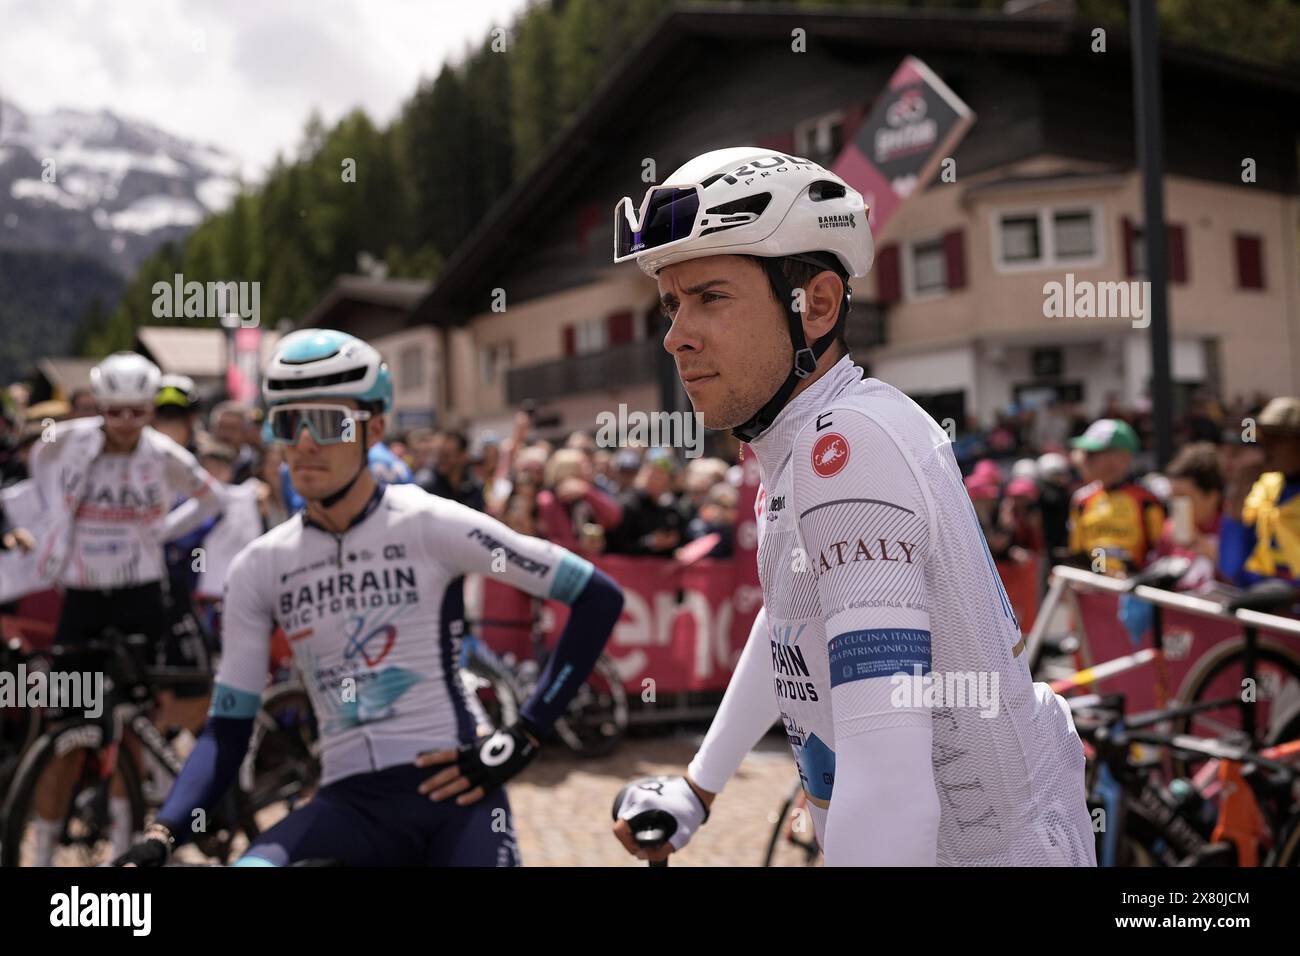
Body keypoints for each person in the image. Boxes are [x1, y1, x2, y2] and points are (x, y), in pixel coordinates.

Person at [607, 146, 1093, 866]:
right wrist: (701, 785)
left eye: (711, 296)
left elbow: (892, 788)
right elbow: (795, 626)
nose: (676, 334)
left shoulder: (846, 452)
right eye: (672, 303)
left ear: (819, 305)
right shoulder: (811, 439)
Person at [113, 329, 623, 867]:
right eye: (289, 423)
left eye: (329, 422)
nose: (306, 442)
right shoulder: (261, 566)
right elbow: (229, 727)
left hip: (454, 796)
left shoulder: (428, 522)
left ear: (373, 429)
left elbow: (598, 597)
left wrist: (525, 735)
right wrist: (163, 834)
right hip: (347, 804)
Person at [26, 351, 224, 864]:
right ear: (101, 406)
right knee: (62, 733)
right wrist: (52, 523)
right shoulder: (68, 441)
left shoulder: (161, 452)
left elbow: (212, 497)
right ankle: (41, 850)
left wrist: (166, 530)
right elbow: (35, 461)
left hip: (140, 593)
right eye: (115, 412)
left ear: (151, 408)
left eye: (139, 412)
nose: (126, 424)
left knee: (133, 727)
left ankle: (123, 850)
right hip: (84, 594)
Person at [1067, 418, 1165, 575]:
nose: (1084, 458)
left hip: (1135, 593)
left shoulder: (1146, 500)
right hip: (1092, 592)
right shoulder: (1081, 500)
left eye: (1093, 453)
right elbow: (1077, 554)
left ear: (1123, 458)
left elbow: (1161, 553)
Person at [1220, 397, 1300, 586]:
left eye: (1278, 438)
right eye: (1264, 438)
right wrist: (1238, 497)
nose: (1267, 447)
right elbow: (1231, 568)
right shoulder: (1265, 488)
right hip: (1263, 609)